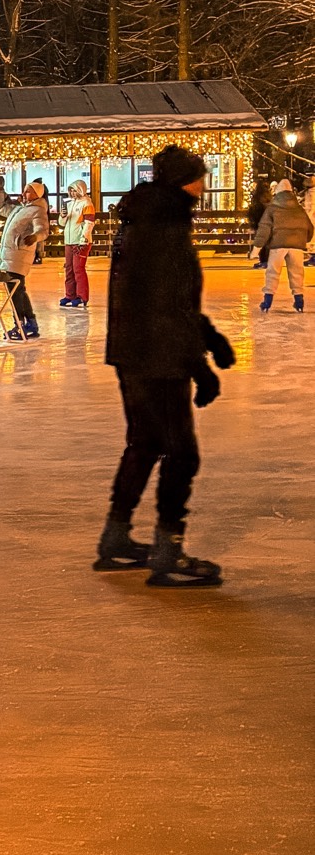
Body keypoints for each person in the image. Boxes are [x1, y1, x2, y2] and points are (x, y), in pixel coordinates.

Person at [95, 145, 232, 587]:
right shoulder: (166, 225)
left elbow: (171, 300)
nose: (204, 183)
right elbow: (168, 307)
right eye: (199, 177)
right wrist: (200, 366)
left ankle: (116, 539)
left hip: (133, 351)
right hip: (158, 356)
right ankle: (168, 553)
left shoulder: (143, 220)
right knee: (181, 451)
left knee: (146, 442)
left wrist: (209, 338)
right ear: (181, 183)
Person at [0, 179, 48, 339]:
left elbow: (43, 229)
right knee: (18, 290)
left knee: (15, 292)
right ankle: (30, 323)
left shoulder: (38, 210)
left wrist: (35, 236)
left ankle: (19, 325)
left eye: (27, 190)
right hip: (11, 255)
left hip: (18, 255)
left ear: (36, 194)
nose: (23, 193)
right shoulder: (20, 209)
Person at [252, 178, 311, 313]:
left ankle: (267, 301)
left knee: (273, 272)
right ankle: (299, 300)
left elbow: (264, 228)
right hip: (296, 246)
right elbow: (309, 228)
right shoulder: (299, 209)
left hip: (278, 246)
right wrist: (303, 240)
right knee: (297, 273)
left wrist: (257, 247)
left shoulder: (272, 208)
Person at [60, 179, 96, 307]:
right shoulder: (69, 204)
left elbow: (89, 223)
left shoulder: (87, 204)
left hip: (80, 242)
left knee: (78, 269)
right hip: (69, 241)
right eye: (71, 190)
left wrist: (83, 240)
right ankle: (70, 294)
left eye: (75, 190)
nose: (72, 192)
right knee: (69, 268)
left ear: (81, 190)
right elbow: (62, 223)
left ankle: (82, 296)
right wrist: (63, 216)